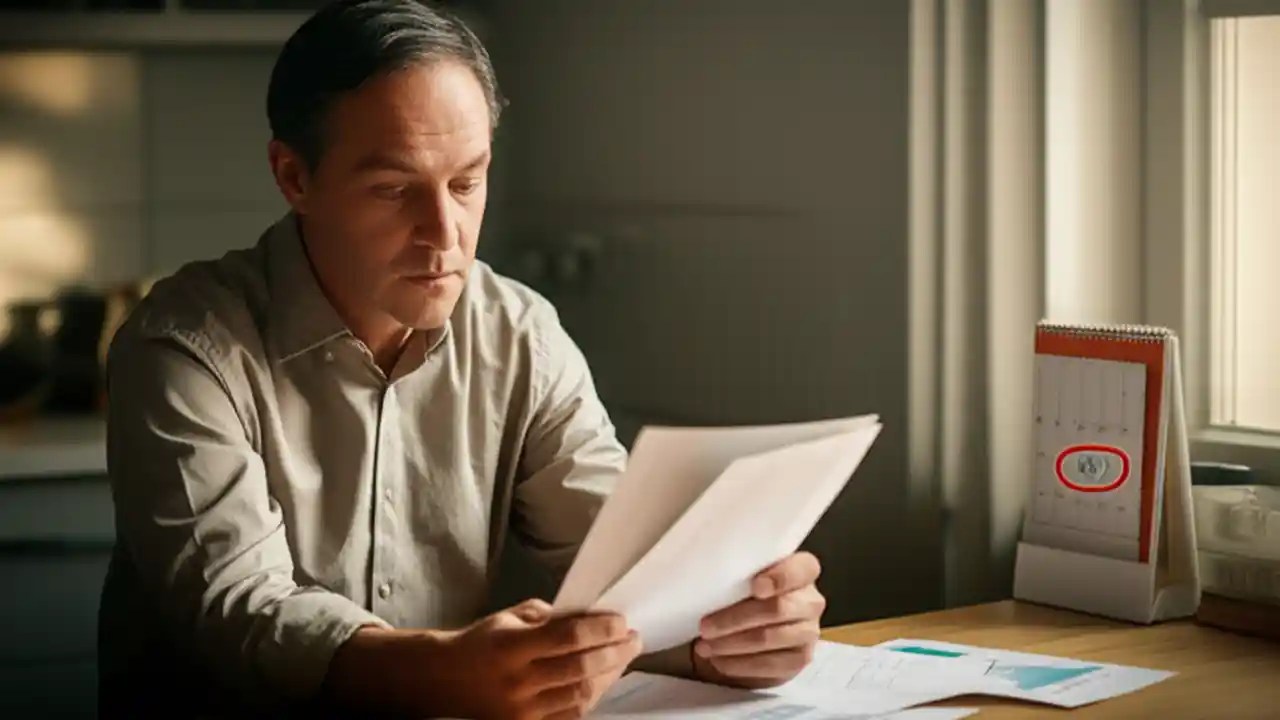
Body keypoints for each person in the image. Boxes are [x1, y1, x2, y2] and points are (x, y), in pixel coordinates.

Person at [98, 1, 826, 716]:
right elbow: (242, 612)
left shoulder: (521, 334)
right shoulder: (183, 350)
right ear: (294, 177)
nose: (444, 235)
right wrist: (438, 669)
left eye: (467, 182)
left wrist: (722, 632)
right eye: (393, 189)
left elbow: (624, 566)